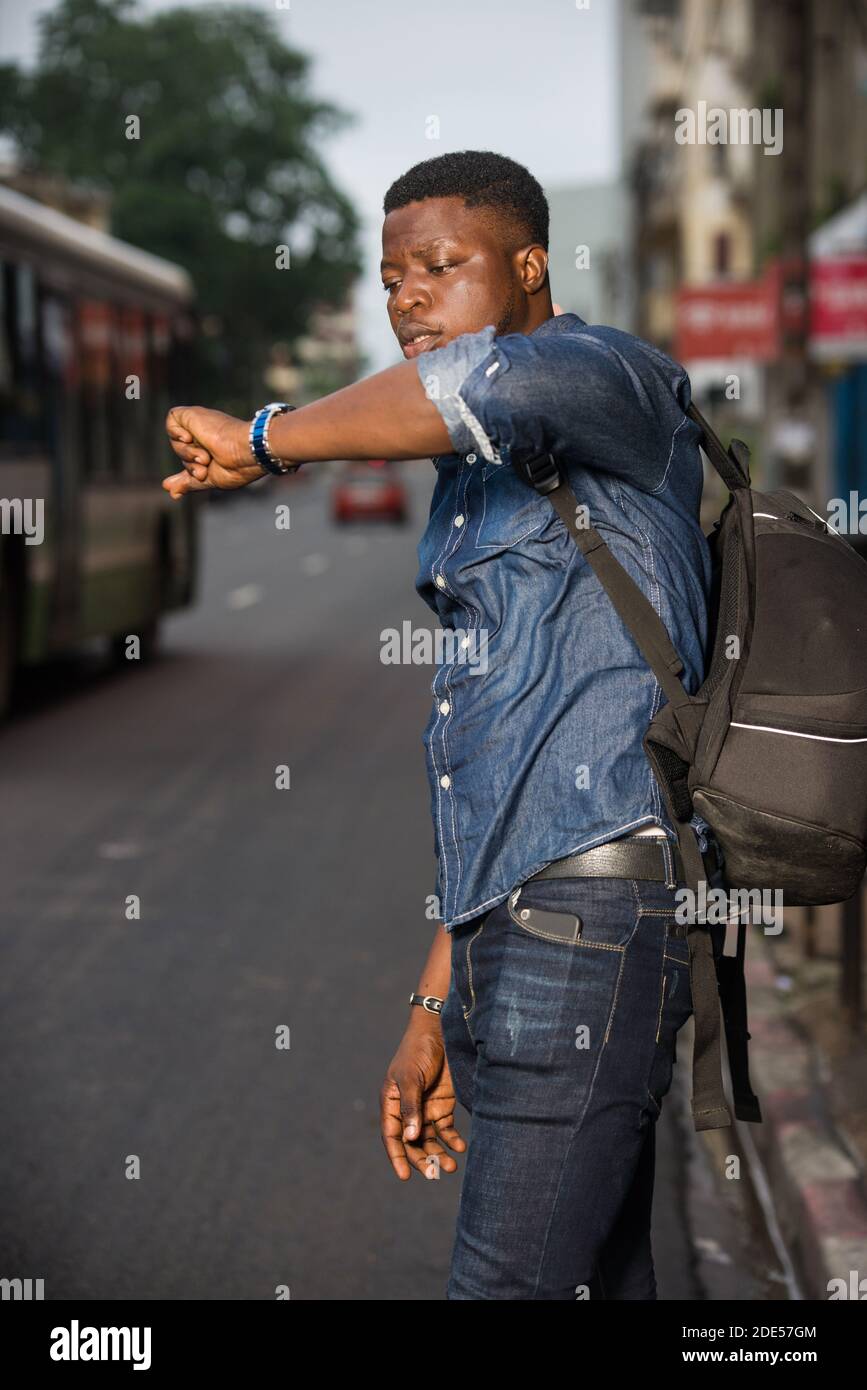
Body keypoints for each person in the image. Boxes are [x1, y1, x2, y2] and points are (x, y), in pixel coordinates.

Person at [163, 150, 722, 1300]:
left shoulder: (601, 373)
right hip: (516, 922)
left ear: (528, 266)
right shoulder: (473, 484)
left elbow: (471, 384)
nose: (406, 293)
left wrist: (266, 435)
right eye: (388, 276)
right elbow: (502, 765)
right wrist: (436, 997)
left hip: (594, 917)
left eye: (440, 264)